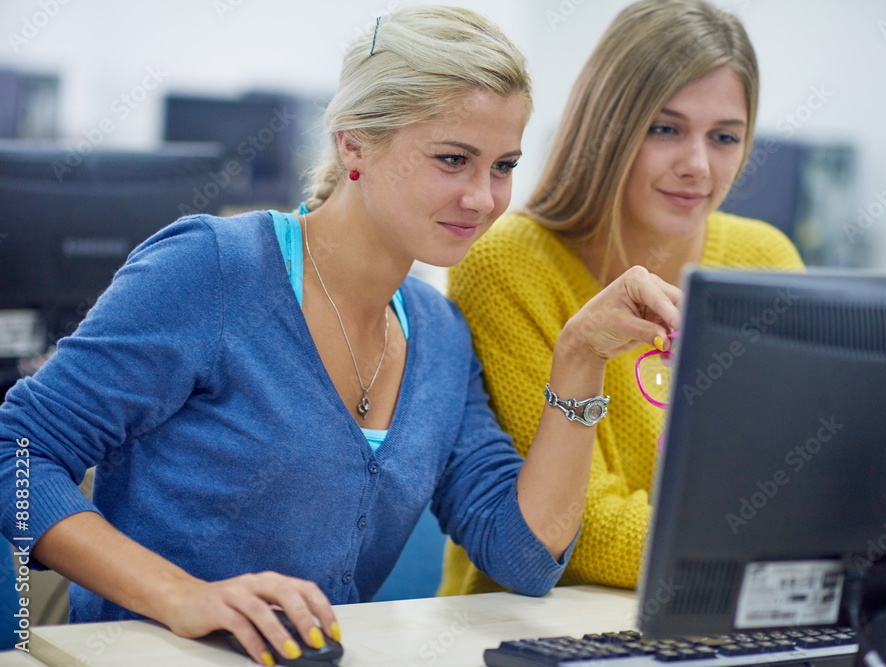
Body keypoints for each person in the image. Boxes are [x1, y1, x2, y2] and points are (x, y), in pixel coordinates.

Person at [0, 7, 682, 667]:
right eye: (453, 159)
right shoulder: (213, 270)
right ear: (353, 143)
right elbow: (16, 453)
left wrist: (580, 357)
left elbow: (524, 554)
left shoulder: (439, 335)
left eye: (503, 166)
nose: (483, 197)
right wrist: (182, 595)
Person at [439, 0, 805, 597]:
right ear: (607, 125)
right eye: (665, 129)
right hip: (544, 633)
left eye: (724, 137)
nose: (696, 165)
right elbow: (584, 530)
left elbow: (799, 482)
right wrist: (787, 559)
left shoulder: (766, 260)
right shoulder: (507, 263)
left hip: (721, 616)